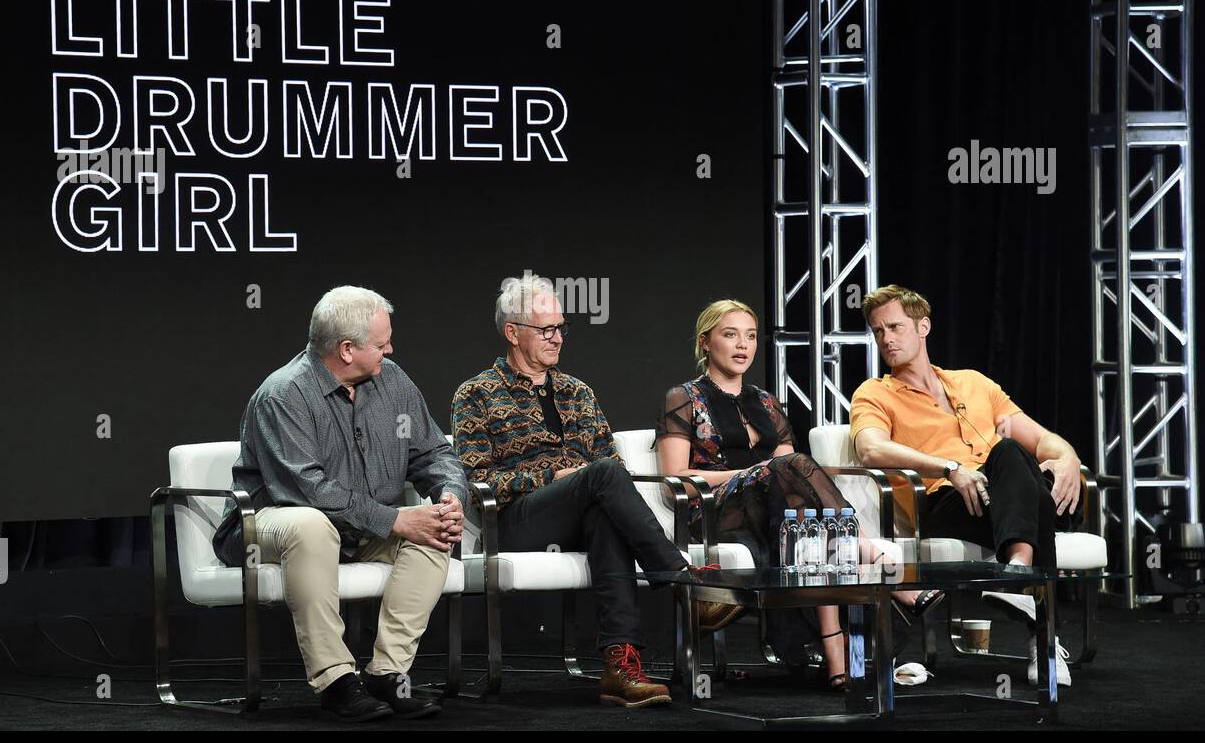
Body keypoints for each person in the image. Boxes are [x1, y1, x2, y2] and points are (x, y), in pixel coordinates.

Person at [451, 274, 742, 710]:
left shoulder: (577, 393)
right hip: (514, 521)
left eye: (561, 328)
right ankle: (684, 584)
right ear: (513, 333)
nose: (557, 338)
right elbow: (478, 481)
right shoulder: (476, 394)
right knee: (601, 477)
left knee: (604, 509)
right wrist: (553, 477)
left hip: (582, 512)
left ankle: (620, 666)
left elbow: (615, 465)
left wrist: (583, 479)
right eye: (545, 329)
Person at [656, 299, 944, 690]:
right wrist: (751, 472)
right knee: (791, 472)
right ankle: (871, 560)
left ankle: (838, 661)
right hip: (712, 513)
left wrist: (771, 474)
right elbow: (674, 476)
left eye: (751, 336)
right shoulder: (685, 397)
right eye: (730, 335)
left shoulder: (766, 403)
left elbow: (794, 479)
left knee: (811, 522)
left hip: (775, 515)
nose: (743, 345)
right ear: (706, 343)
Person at [212, 286, 470, 722]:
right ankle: (335, 681)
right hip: (267, 525)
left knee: (433, 529)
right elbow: (306, 490)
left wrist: (448, 496)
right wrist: (394, 520)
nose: (391, 349)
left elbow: (433, 452)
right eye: (382, 342)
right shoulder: (284, 395)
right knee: (311, 525)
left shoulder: (393, 381)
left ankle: (387, 673)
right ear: (347, 349)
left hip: (358, 526)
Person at [850, 285, 1083, 686]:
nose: (886, 339)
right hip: (948, 503)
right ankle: (1042, 641)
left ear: (923, 326)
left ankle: (1017, 571)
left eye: (896, 327)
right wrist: (949, 467)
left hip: (1004, 497)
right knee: (1021, 470)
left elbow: (1043, 439)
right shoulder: (875, 392)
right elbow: (870, 450)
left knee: (1011, 452)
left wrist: (1069, 458)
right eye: (877, 331)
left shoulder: (974, 383)